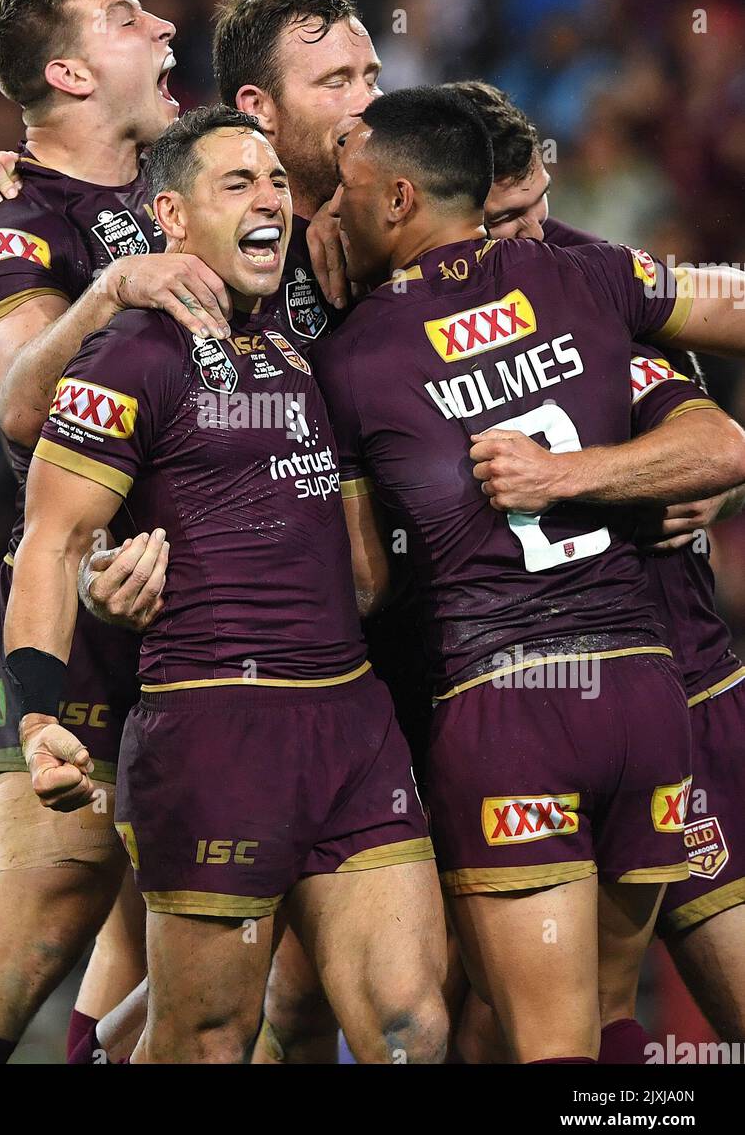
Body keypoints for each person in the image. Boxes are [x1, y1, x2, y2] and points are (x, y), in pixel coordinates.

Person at [7, 104, 447, 1064]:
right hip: (213, 731)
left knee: (410, 1023)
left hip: (349, 721)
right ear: (169, 216)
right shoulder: (130, 356)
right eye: (237, 184)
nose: (271, 201)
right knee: (206, 1037)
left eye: (277, 183)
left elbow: (363, 564)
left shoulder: (292, 342)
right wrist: (38, 717)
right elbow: (48, 541)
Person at [313, 86, 745, 1063]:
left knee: (548, 1049)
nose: (331, 207)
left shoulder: (348, 359)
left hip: (507, 708)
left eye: (347, 188)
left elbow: (365, 583)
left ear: (398, 199)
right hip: (643, 691)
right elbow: (728, 317)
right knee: (601, 1014)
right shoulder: (590, 283)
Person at [0, 0, 230, 1064]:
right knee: (40, 934)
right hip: (80, 615)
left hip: (217, 606)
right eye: (127, 17)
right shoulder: (16, 219)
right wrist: (106, 287)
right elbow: (12, 401)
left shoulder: (181, 187)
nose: (164, 31)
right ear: (73, 74)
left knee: (190, 938)